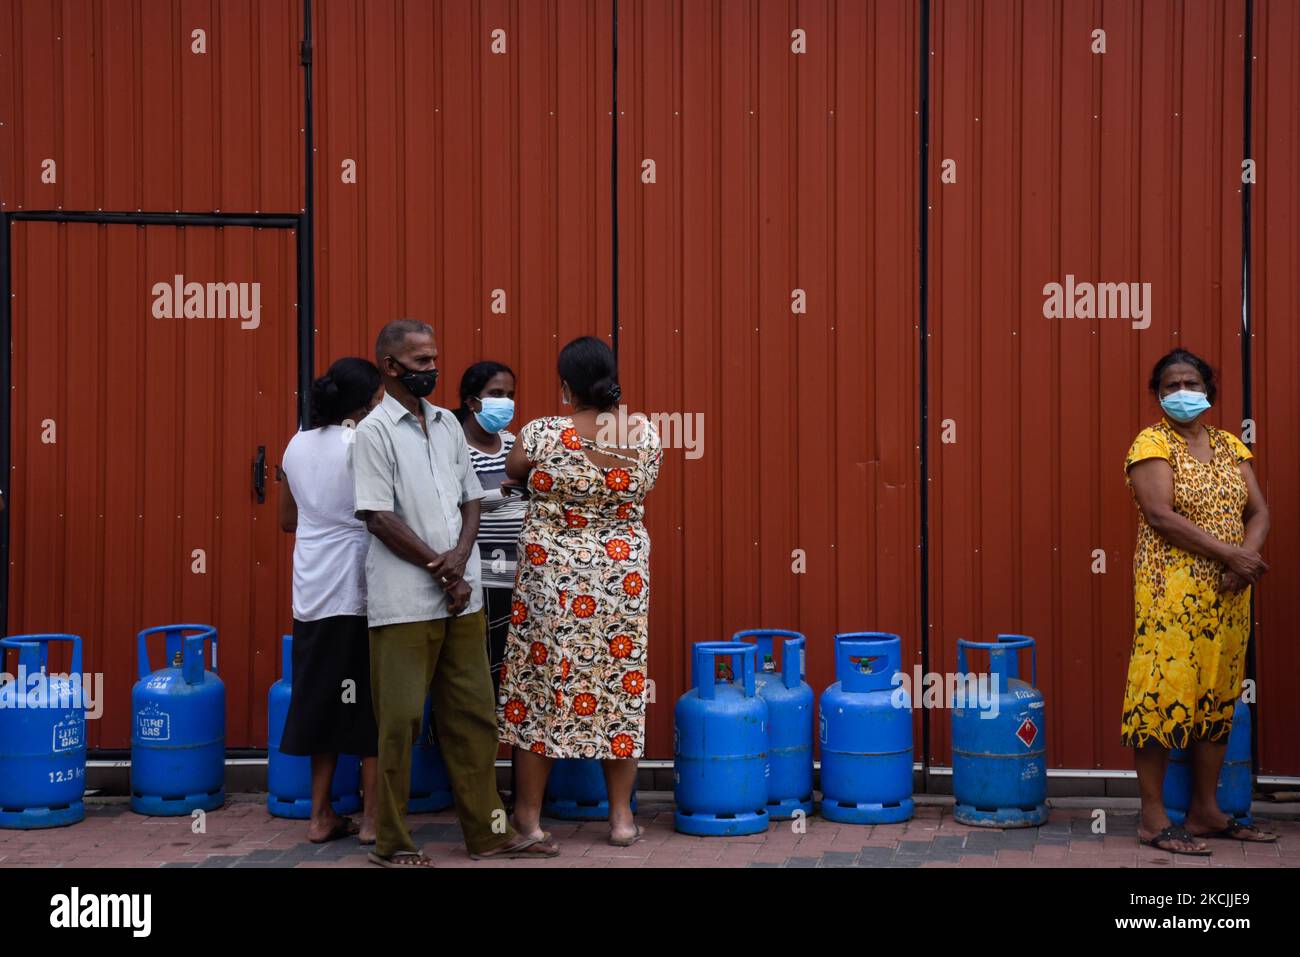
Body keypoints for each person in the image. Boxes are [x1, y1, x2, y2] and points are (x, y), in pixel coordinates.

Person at [350, 318, 554, 867]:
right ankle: (393, 842)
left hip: (461, 596)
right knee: (399, 725)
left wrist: (461, 558)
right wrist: (445, 569)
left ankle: (488, 833)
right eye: (420, 362)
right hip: (405, 603)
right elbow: (376, 515)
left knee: (473, 718)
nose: (432, 370)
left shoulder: (444, 424)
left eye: (434, 359)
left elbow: (471, 498)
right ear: (390, 366)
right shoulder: (372, 432)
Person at [497, 336, 662, 848]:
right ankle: (621, 820)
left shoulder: (542, 433)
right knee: (620, 684)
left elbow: (513, 471)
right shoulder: (645, 434)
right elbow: (643, 484)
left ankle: (528, 818)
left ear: (565, 385)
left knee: (538, 688)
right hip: (621, 580)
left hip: (554, 581)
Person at [1123, 348, 1276, 854]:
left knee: (1217, 699)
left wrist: (1246, 557)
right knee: (1162, 697)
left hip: (1229, 596)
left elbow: (1259, 511)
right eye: (1170, 386)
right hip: (1172, 593)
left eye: (1190, 382)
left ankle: (1206, 811)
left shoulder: (1231, 445)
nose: (1181, 392)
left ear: (1208, 388)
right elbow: (1160, 514)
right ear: (1158, 394)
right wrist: (1233, 556)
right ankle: (1151, 818)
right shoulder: (1152, 442)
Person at [279, 358, 383, 844]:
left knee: (321, 698)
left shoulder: (297, 443)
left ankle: (320, 815)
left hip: (312, 588)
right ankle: (373, 821)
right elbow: (383, 512)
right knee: (369, 703)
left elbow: (286, 519)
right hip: (358, 585)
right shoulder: (361, 443)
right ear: (365, 402)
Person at [453, 361, 526, 698]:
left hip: (518, 578)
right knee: (475, 676)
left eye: (510, 394)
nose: (506, 402)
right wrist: (501, 492)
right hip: (476, 580)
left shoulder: (514, 444)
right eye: (496, 394)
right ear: (472, 402)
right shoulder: (453, 448)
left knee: (512, 675)